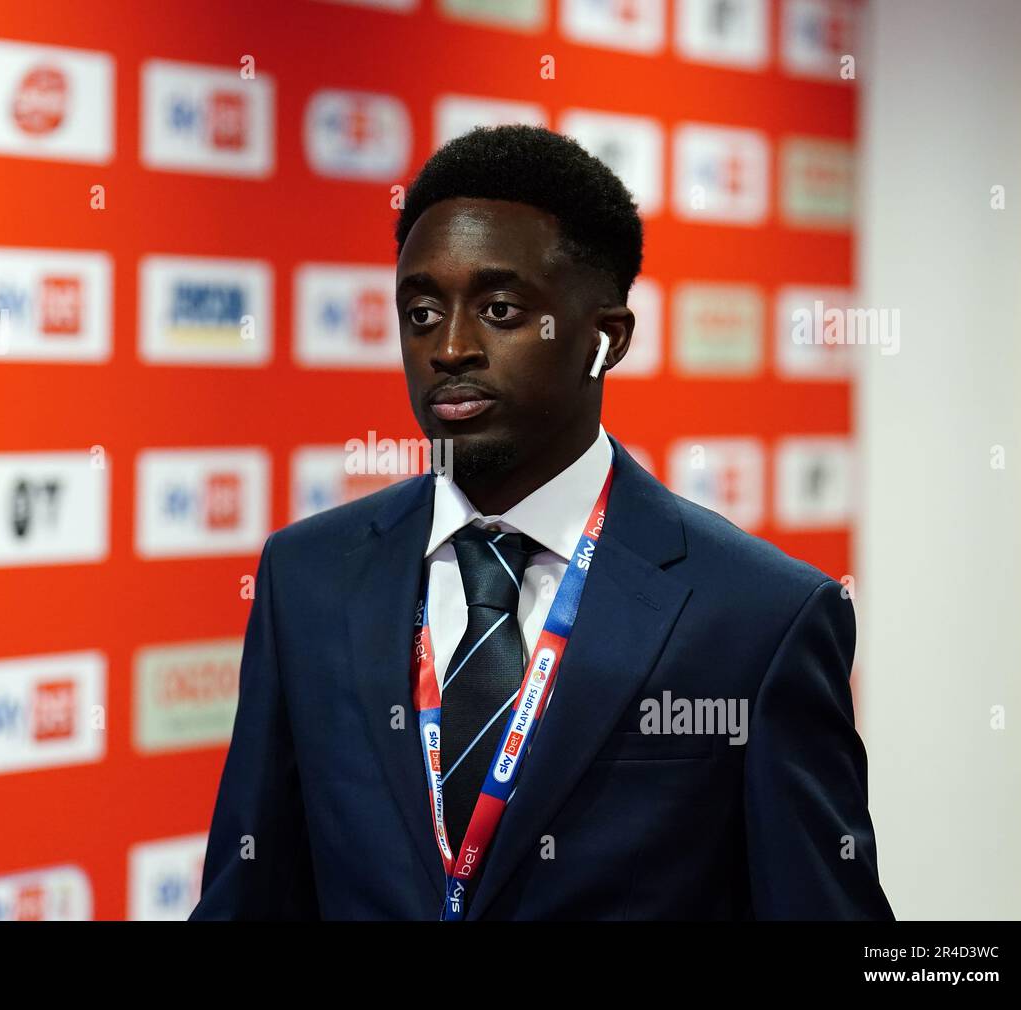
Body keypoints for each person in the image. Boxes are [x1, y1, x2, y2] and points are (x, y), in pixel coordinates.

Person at [190, 124, 892, 920]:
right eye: (421, 312)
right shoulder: (306, 576)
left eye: (499, 308)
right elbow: (250, 892)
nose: (450, 348)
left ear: (605, 339)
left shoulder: (759, 617)